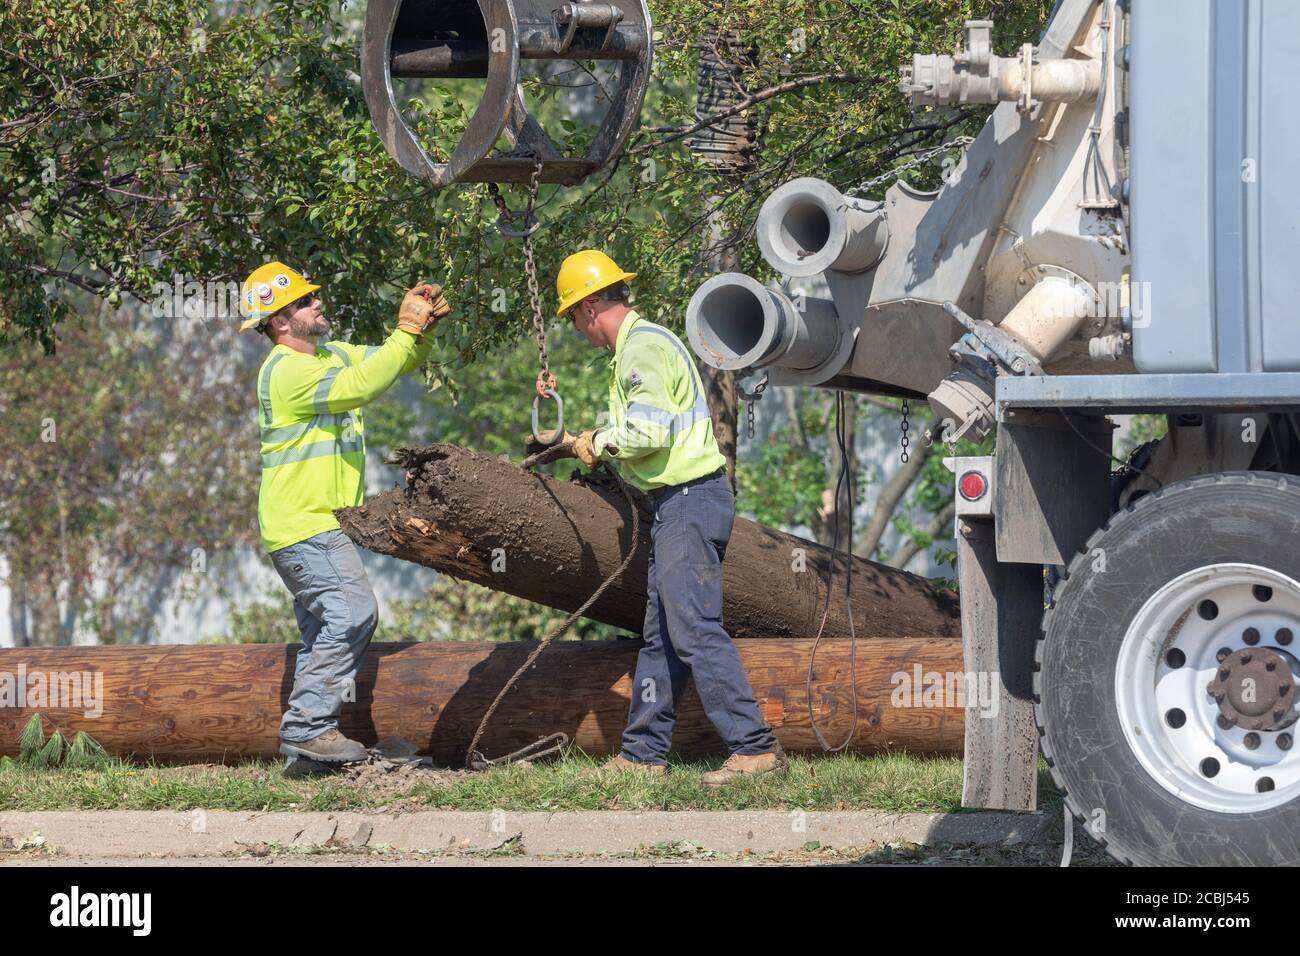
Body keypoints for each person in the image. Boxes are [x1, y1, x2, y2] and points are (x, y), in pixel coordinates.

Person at [550, 249, 786, 786]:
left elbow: (647, 433)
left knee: (693, 628)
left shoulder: (644, 350)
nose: (575, 329)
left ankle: (754, 749)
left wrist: (592, 443)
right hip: (676, 505)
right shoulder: (639, 350)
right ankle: (643, 754)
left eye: (571, 318)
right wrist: (582, 440)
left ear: (588, 308)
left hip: (688, 501)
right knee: (662, 636)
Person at [238, 262, 449, 764]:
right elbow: (361, 386)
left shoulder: (329, 354)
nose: (317, 303)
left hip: (310, 524)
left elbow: (384, 364)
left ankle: (310, 755)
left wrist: (421, 335)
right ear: (280, 323)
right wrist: (405, 329)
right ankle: (308, 728)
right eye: (304, 301)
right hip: (303, 523)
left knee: (322, 632)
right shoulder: (287, 371)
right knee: (354, 612)